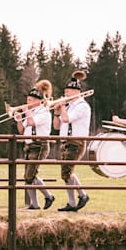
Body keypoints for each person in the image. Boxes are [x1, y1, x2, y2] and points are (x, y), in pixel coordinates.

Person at [54, 71, 92, 212]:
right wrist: (56, 112)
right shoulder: (69, 106)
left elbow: (66, 119)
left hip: (76, 142)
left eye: (68, 92)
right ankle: (72, 202)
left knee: (67, 172)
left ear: (76, 92)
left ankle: (82, 195)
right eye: (65, 92)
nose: (65, 95)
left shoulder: (82, 106)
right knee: (66, 174)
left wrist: (63, 107)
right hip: (65, 142)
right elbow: (57, 126)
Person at [15, 80, 56, 210]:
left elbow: (32, 122)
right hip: (29, 145)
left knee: (30, 176)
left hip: (39, 145)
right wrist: (19, 120)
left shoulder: (44, 112)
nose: (27, 102)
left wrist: (26, 111)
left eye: (30, 100)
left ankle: (48, 196)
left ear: (38, 101)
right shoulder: (30, 113)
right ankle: (36, 204)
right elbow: (21, 131)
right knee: (28, 176)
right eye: (27, 100)